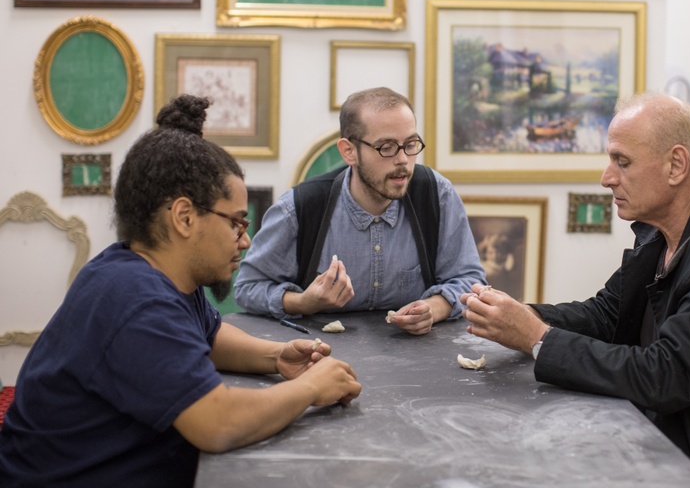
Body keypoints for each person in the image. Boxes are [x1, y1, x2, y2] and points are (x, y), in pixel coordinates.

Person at [460, 93, 690, 488]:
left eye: (622, 162)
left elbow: (667, 376)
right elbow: (607, 314)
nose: (607, 178)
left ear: (676, 164)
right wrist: (517, 316)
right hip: (689, 440)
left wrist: (538, 338)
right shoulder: (663, 233)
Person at [0, 95, 361, 487]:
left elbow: (207, 334)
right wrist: (310, 388)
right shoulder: (134, 299)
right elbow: (217, 422)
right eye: (236, 224)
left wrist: (276, 357)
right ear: (185, 217)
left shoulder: (156, 273)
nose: (245, 241)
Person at [234, 87, 487, 336]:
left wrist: (435, 308)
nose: (402, 160)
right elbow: (248, 288)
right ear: (349, 151)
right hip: (319, 358)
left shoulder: (436, 195)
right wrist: (303, 302)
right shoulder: (298, 208)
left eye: (410, 144)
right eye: (386, 147)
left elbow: (471, 281)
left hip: (417, 363)